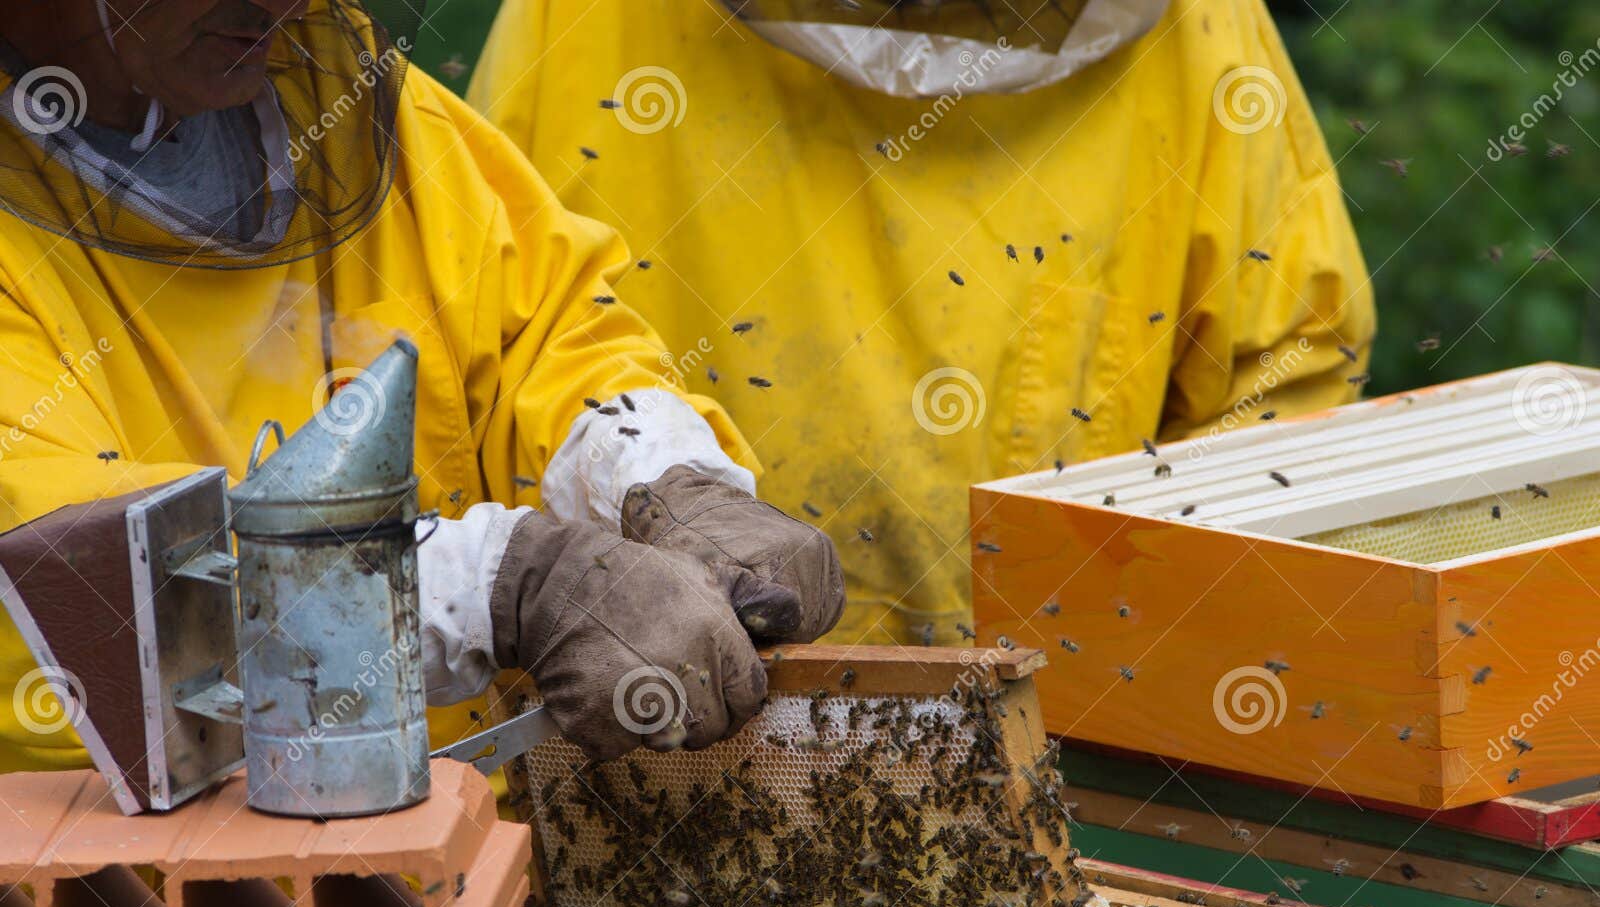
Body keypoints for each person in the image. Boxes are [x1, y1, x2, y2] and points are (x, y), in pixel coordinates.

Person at [0, 0, 842, 774]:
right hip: (158, 906)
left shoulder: (344, 95)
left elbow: (543, 329)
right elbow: (75, 567)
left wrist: (664, 481)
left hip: (469, 865)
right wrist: (501, 588)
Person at [470, 0, 1376, 645]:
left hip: (1047, 753)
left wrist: (1125, 686)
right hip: (654, 728)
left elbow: (1278, 392)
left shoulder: (1196, 35)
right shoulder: (584, 21)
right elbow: (486, 358)